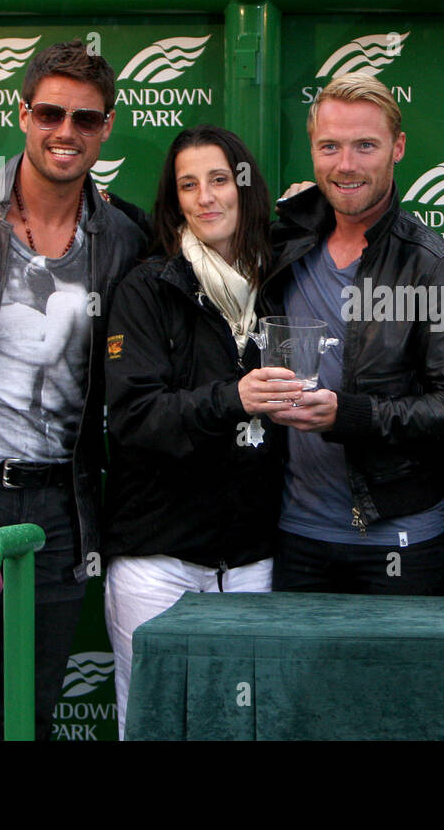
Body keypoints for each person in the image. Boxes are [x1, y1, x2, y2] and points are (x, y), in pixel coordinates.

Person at [0, 39, 146, 739]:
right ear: (22, 115)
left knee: (25, 712)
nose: (64, 132)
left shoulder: (124, 237)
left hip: (60, 503)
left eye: (85, 119)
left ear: (106, 128)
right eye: (50, 113)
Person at [260, 73, 444, 595]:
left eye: (366, 145)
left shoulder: (431, 266)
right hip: (295, 536)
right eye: (330, 146)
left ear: (397, 149)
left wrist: (351, 415)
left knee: (394, 681)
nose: (346, 164)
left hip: (401, 541)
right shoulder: (284, 246)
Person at [101, 125, 292, 737]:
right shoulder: (148, 286)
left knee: (242, 726)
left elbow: (338, 215)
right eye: (189, 185)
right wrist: (232, 398)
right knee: (154, 722)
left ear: (245, 188)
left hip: (249, 560)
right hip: (158, 559)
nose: (207, 197)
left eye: (220, 180)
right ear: (173, 200)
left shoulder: (280, 277)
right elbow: (133, 417)